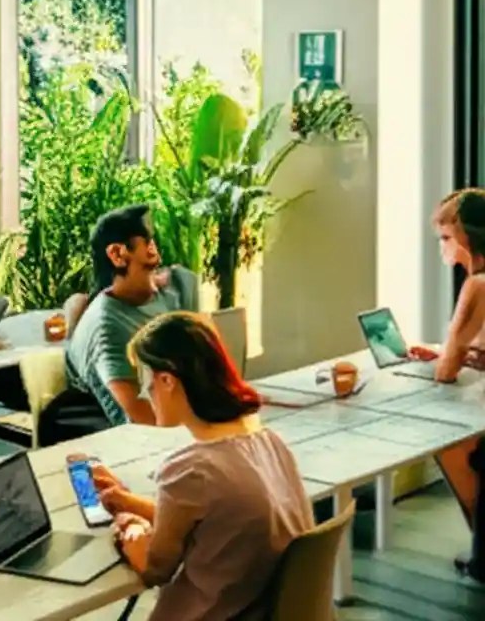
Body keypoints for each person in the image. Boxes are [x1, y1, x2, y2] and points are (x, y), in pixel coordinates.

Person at [92, 311, 314, 620]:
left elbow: (156, 569)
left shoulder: (191, 470)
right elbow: (215, 521)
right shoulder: (270, 442)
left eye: (146, 382)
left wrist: (128, 527)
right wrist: (127, 501)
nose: (145, 394)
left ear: (167, 380)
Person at [64, 204, 199, 426]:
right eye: (145, 239)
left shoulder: (166, 294)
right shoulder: (107, 326)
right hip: (118, 436)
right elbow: (143, 418)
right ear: (117, 254)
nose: (153, 245)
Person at [409, 188, 485, 581]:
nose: (442, 249)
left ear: (465, 238)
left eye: (444, 238)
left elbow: (445, 372)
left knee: (449, 441)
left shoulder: (478, 285)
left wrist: (447, 356)